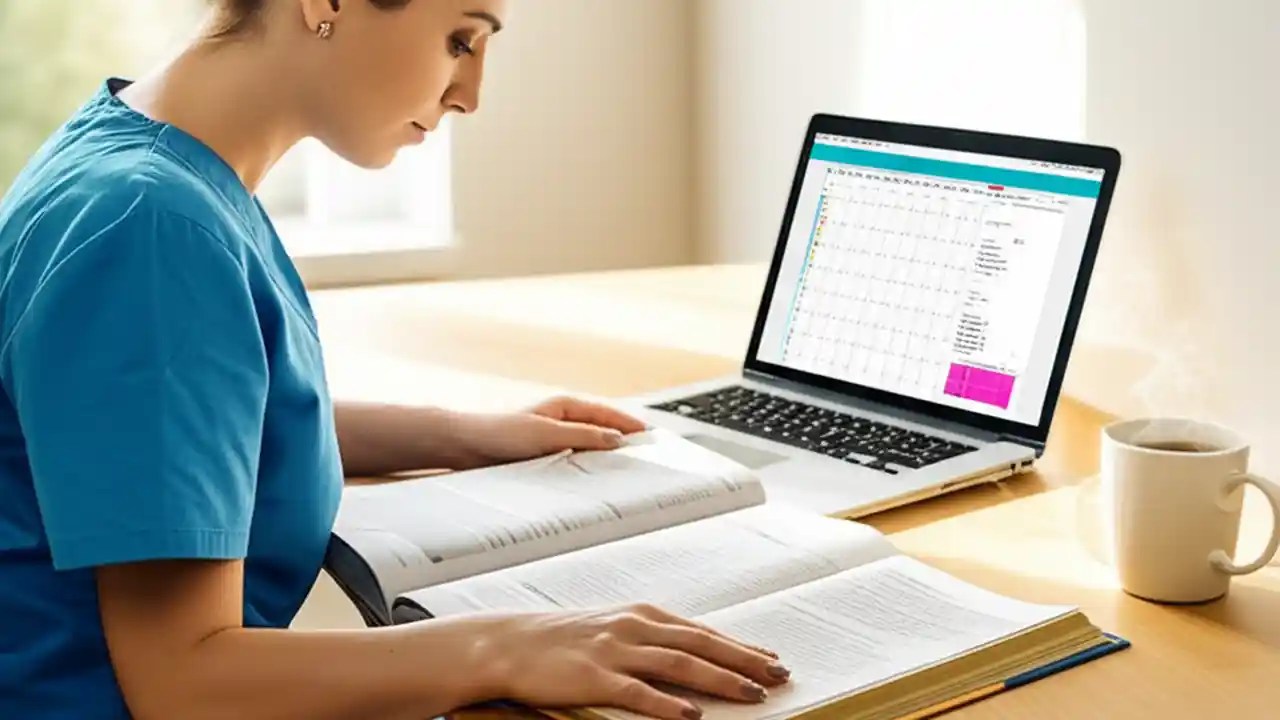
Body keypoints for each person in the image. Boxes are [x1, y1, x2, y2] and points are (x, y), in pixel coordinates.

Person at [0, 1, 792, 718]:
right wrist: (506, 648)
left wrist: (461, 435)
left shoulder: (144, 159)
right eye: (461, 40)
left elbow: (189, 427)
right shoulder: (153, 230)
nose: (469, 94)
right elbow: (184, 682)